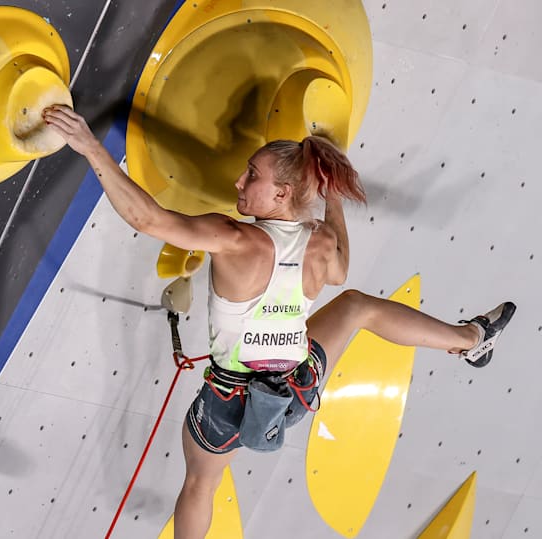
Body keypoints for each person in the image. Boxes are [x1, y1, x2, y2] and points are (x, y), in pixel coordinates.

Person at [42, 105, 516, 538]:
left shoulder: (235, 239)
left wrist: (89, 145)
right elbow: (341, 271)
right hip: (294, 386)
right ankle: (468, 338)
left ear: (282, 192)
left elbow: (147, 219)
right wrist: (331, 201)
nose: (238, 183)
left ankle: (468, 337)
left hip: (232, 398)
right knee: (355, 306)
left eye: (251, 175)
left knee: (200, 486)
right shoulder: (320, 242)